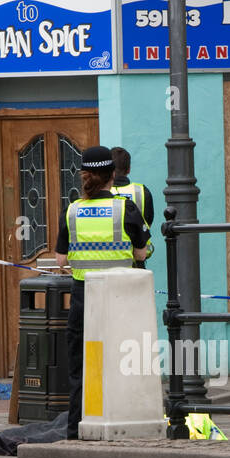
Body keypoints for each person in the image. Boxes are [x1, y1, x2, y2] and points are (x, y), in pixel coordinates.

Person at [55, 146, 152, 439]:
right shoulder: (126, 209)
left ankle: (76, 429)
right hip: (122, 299)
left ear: (84, 175)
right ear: (114, 175)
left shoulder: (71, 211)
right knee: (123, 362)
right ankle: (125, 424)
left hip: (84, 298)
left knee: (82, 366)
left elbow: (61, 261)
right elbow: (141, 251)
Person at [109, 146, 154, 245]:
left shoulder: (98, 192)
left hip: (104, 251)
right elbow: (148, 223)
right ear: (129, 169)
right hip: (138, 253)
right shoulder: (142, 191)